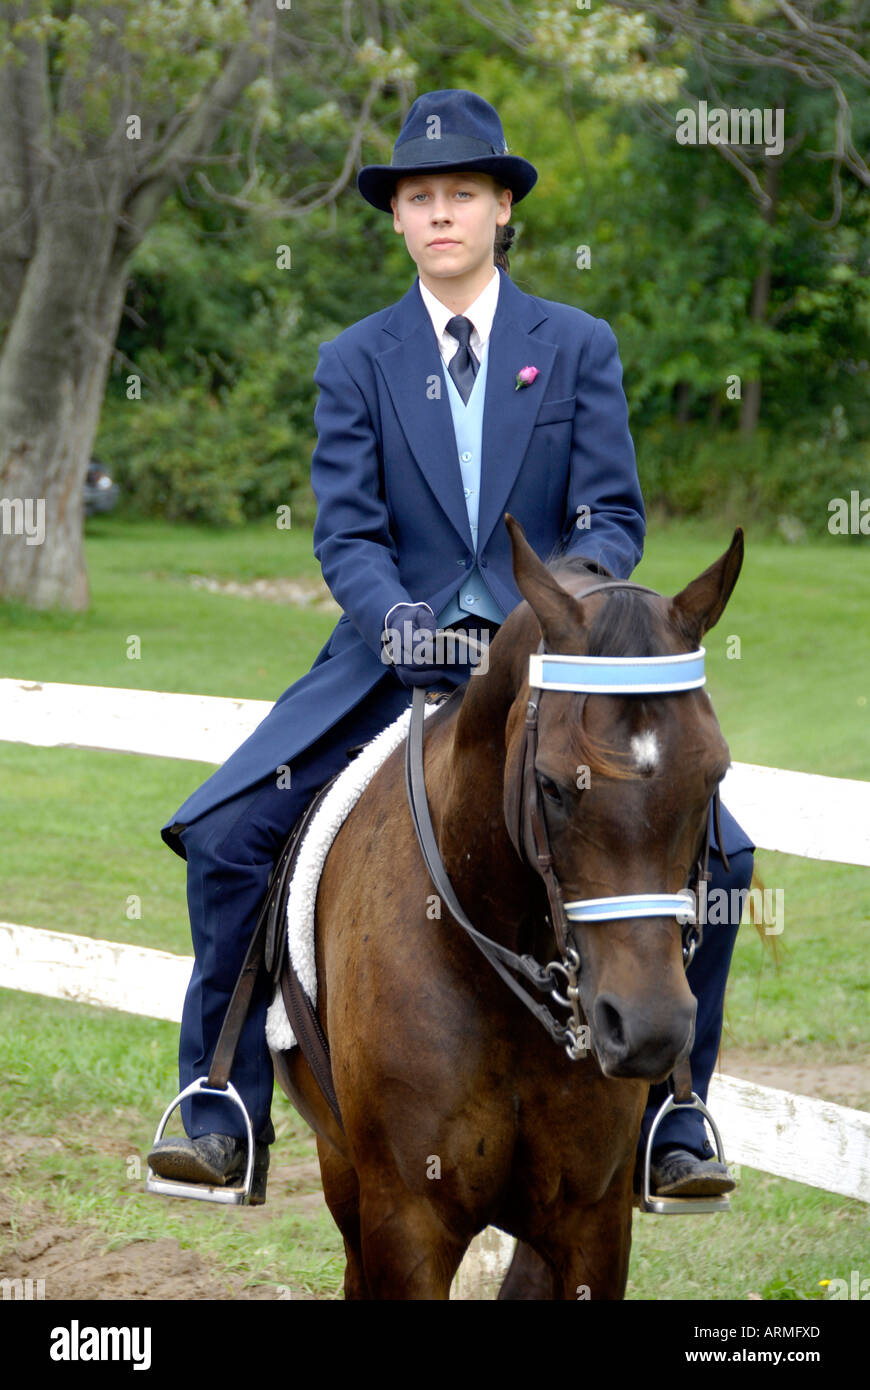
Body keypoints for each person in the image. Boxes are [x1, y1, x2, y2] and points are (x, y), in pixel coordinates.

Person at [149, 89, 754, 1204]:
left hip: (553, 657)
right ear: (396, 219)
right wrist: (401, 623)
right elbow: (349, 530)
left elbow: (611, 520)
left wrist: (547, 614)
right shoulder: (354, 359)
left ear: (502, 207)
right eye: (418, 198)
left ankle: (678, 1111)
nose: (440, 214)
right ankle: (219, 1096)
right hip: (394, 657)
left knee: (725, 854)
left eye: (461, 194)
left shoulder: (578, 345)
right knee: (234, 832)